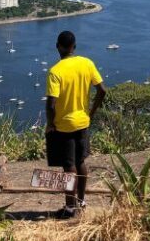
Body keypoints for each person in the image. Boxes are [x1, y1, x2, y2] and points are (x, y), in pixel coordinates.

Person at [45, 30, 106, 219]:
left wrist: (50, 124)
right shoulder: (87, 63)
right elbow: (102, 91)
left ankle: (70, 208)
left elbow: (51, 104)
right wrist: (91, 112)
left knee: (69, 165)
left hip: (64, 126)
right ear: (74, 47)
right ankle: (81, 201)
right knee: (80, 162)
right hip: (83, 122)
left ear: (58, 46)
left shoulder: (56, 71)